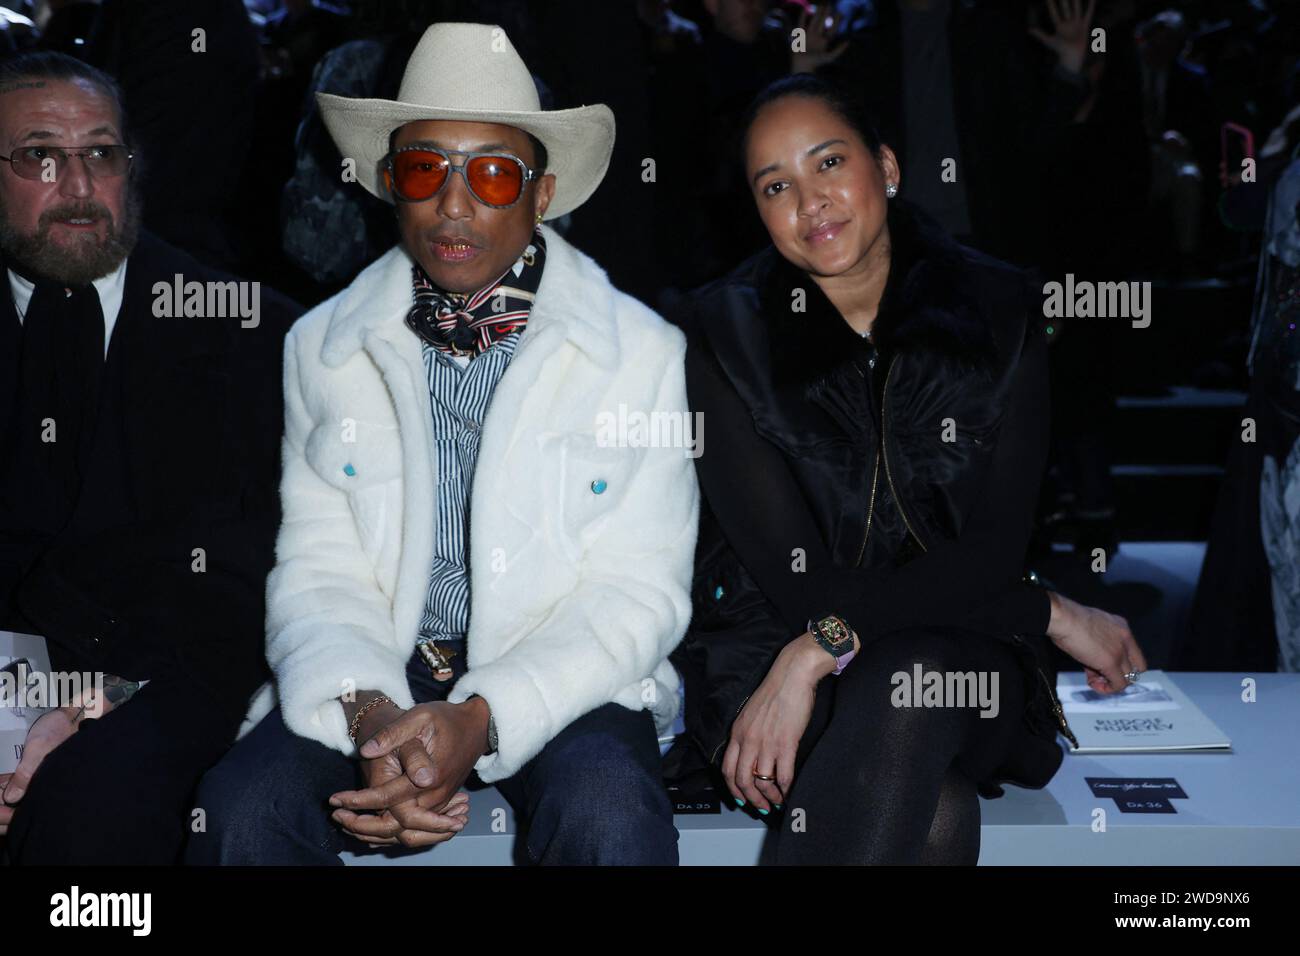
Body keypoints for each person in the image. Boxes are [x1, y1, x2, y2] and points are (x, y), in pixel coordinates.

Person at [186, 22, 698, 866]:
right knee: (239, 812)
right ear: (390, 183)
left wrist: (481, 717)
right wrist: (371, 717)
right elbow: (318, 572)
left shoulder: (639, 351)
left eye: (494, 174)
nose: (453, 205)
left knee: (610, 817)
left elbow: (638, 594)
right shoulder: (322, 347)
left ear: (544, 194)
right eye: (426, 169)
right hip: (372, 667)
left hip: (562, 677)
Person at [670, 73, 1147, 865]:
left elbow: (990, 550)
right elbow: (802, 585)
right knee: (934, 815)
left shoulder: (1002, 312)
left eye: (829, 164)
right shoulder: (721, 337)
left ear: (886, 167)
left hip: (958, 663)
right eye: (777, 185)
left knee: (910, 678)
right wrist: (1045, 611)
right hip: (776, 669)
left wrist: (819, 647)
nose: (810, 201)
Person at [0, 51, 299, 863]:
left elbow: (241, 575)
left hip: (160, 669)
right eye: (39, 156)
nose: (78, 187)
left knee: (88, 810)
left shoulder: (250, 335)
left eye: (101, 154)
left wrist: (96, 697)